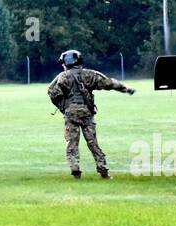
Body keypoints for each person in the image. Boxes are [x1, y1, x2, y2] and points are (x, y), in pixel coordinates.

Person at [46, 49, 134, 178]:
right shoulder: (89, 74)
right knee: (93, 143)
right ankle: (103, 169)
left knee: (72, 143)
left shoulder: (62, 77)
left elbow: (52, 92)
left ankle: (75, 168)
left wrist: (62, 106)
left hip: (70, 114)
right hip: (87, 113)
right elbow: (108, 83)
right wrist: (125, 89)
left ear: (67, 63)